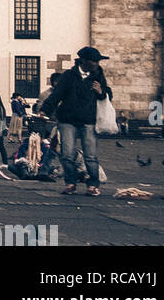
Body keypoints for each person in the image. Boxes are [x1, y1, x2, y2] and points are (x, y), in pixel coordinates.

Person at [43, 46, 112, 197]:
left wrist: (101, 92)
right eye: (94, 61)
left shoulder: (98, 75)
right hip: (67, 119)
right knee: (67, 154)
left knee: (90, 156)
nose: (96, 64)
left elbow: (107, 95)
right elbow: (57, 94)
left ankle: (93, 184)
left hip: (88, 120)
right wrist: (45, 109)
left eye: (97, 61)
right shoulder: (69, 75)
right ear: (83, 61)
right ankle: (70, 183)